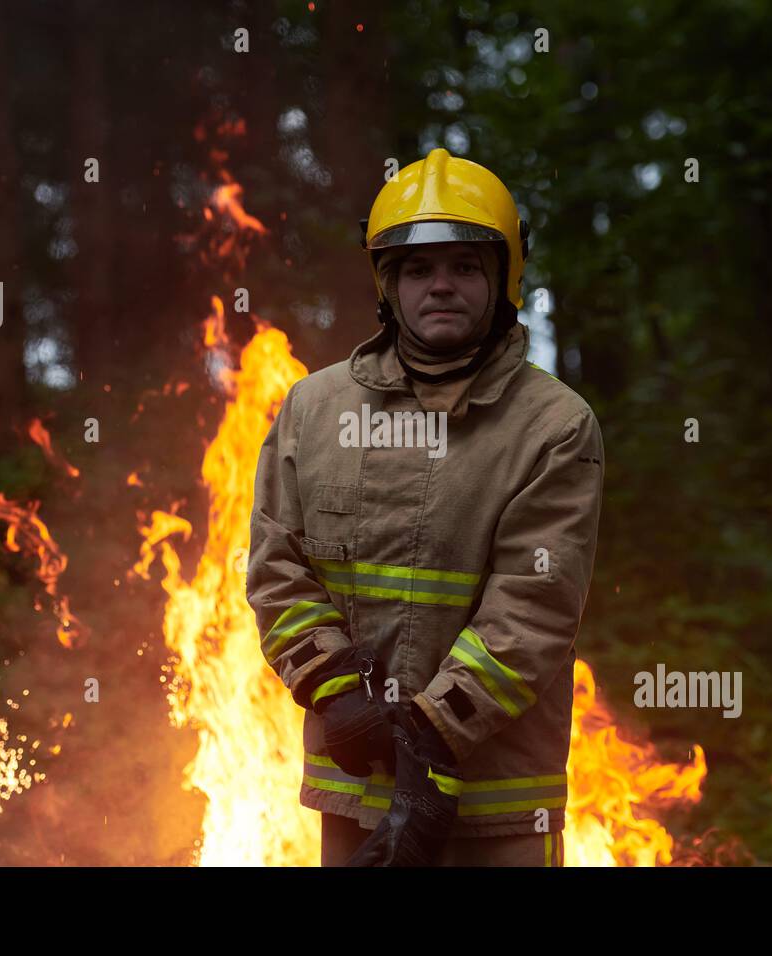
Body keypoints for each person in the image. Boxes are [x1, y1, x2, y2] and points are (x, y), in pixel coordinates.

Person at [247, 147, 603, 866]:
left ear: (504, 279)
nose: (441, 286)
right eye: (418, 269)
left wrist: (433, 734)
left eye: (465, 267)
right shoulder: (314, 410)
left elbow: (534, 605)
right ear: (387, 283)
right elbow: (276, 564)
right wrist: (338, 692)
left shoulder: (556, 426)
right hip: (359, 784)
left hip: (496, 801)